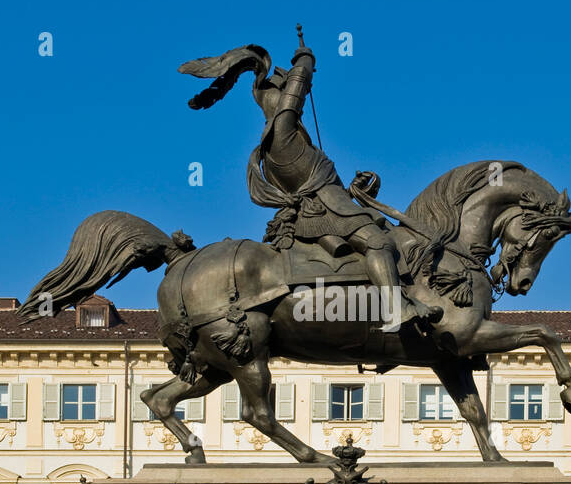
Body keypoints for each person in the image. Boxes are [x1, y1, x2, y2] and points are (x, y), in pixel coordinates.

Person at [179, 33, 443, 330]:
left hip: (329, 209)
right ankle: (397, 309)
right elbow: (297, 93)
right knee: (380, 243)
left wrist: (355, 189)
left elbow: (323, 185)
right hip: (327, 214)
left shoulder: (280, 146)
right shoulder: (282, 134)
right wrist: (305, 60)